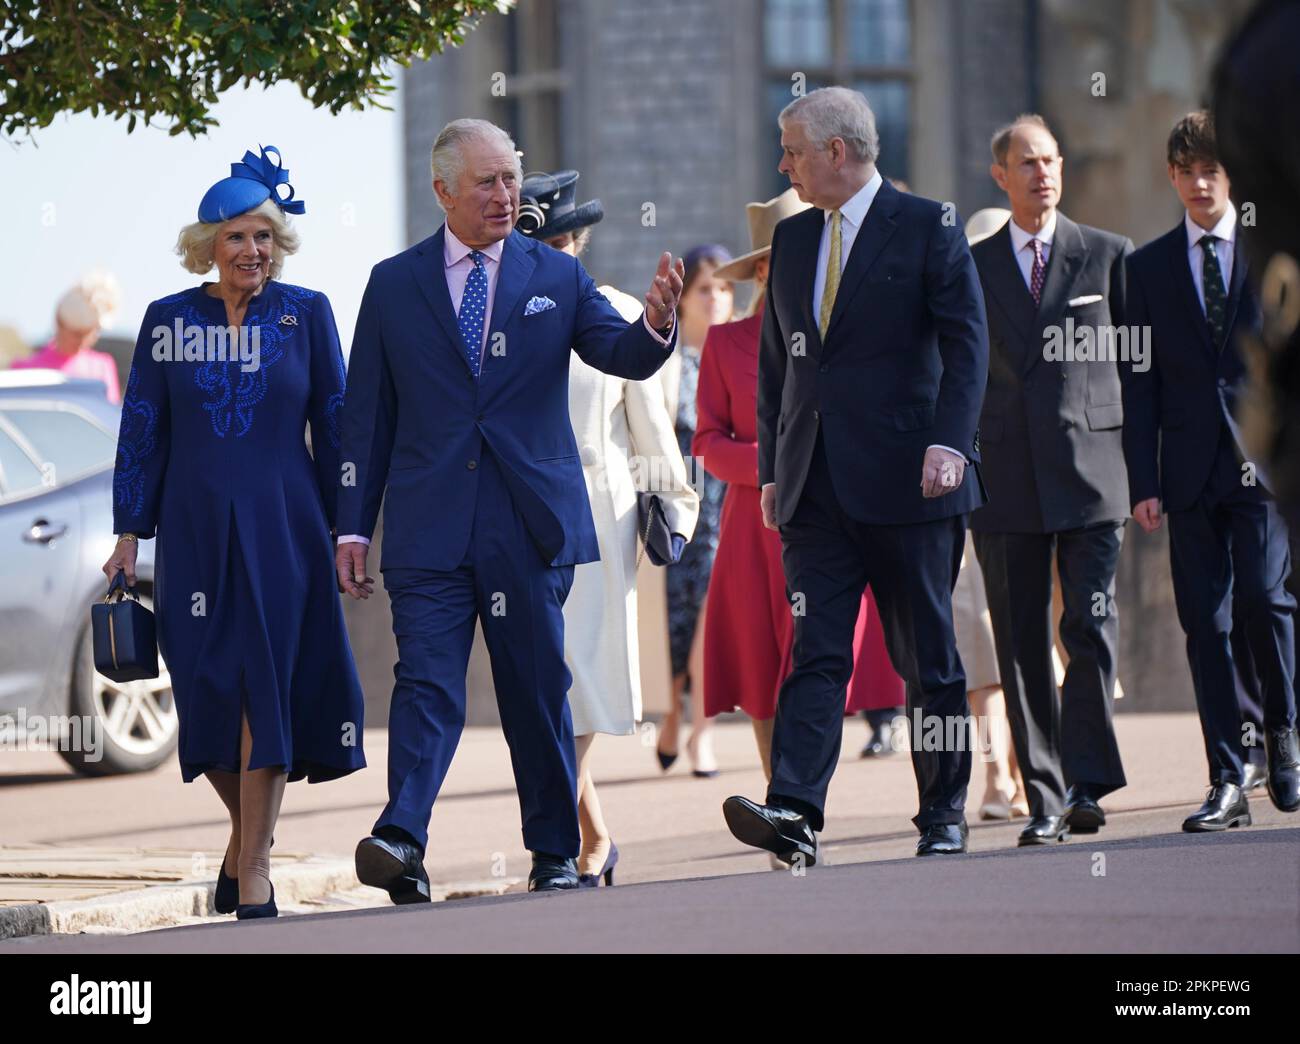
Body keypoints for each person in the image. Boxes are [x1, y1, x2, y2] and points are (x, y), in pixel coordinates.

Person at [336, 119, 684, 899]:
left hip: (528, 523)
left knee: (534, 688)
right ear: (443, 191)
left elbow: (620, 354)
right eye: (487, 182)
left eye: (511, 179)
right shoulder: (394, 284)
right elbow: (367, 416)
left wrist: (657, 322)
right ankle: (401, 840)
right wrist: (353, 523)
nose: (506, 195)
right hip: (428, 527)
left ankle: (555, 853)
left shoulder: (554, 277)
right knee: (426, 684)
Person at [724, 86, 988, 863]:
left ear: (837, 151)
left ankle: (942, 812)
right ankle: (796, 811)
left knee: (928, 657)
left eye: (793, 149)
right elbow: (779, 366)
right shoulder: (798, 239)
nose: (784, 164)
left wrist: (952, 444)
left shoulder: (929, 226)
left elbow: (969, 348)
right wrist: (774, 469)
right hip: (815, 489)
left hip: (913, 482)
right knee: (816, 652)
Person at [102, 146, 366, 920]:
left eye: (265, 237)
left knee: (267, 694)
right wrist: (128, 530)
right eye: (237, 238)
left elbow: (337, 425)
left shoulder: (307, 313)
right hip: (190, 530)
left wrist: (349, 526)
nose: (254, 251)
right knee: (208, 688)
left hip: (285, 526)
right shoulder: (167, 320)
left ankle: (252, 868)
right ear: (206, 247)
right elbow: (141, 428)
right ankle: (243, 837)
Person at [517, 168, 700, 885]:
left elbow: (651, 428)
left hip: (600, 509)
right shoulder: (500, 313)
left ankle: (557, 841)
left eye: (561, 242)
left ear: (577, 242)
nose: (553, 254)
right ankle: (589, 838)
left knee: (581, 677)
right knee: (538, 680)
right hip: (517, 514)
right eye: (541, 243)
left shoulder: (621, 308)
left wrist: (676, 505)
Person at [1121, 110, 1299, 830]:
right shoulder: (1144, 268)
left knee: (1265, 598)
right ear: (1171, 177)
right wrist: (1143, 480)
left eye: (1213, 170)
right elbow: (1138, 380)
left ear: (1231, 177)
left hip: (1261, 465)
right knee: (1207, 624)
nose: (1200, 182)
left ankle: (1282, 740)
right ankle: (1227, 776)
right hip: (1186, 468)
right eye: (1187, 170)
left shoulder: (1272, 255)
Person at [695, 189, 905, 798]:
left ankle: (802, 798)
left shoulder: (846, 334)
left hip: (832, 519)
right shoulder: (726, 342)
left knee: (822, 659)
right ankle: (778, 801)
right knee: (761, 668)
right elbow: (707, 441)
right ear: (765, 268)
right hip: (750, 528)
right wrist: (783, 463)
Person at [968, 114, 1133, 847]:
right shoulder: (971, 266)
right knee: (1021, 641)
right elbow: (957, 372)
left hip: (1093, 474)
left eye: (1051, 161)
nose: (1043, 174)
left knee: (1089, 626)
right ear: (1000, 176)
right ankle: (1043, 795)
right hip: (1005, 477)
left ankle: (1088, 782)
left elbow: (1140, 371)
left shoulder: (1107, 255)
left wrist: (1147, 468)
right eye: (1026, 163)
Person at [654, 244, 733, 778]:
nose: (715, 299)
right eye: (705, 288)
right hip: (675, 506)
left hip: (728, 506)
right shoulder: (667, 360)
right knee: (673, 623)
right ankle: (669, 717)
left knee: (712, 622)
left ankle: (702, 733)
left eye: (724, 288)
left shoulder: (743, 351)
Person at [14, 272, 123, 402]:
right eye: (77, 333)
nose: (82, 341)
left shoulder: (102, 367)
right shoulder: (24, 370)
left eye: (89, 333)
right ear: (60, 325)